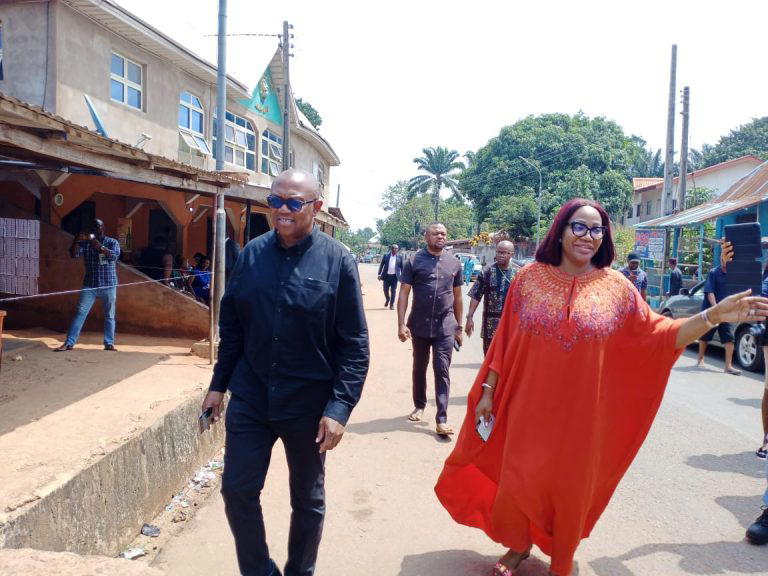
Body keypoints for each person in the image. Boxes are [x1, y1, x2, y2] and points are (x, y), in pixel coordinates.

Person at [434, 198, 768, 576]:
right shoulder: (528, 280)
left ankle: (563, 558)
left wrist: (713, 316)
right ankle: (520, 545)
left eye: (596, 230)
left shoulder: (618, 289)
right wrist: (488, 390)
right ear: (560, 230)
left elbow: (662, 336)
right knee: (520, 479)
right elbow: (505, 341)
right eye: (579, 226)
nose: (588, 236)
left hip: (582, 420)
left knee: (569, 489)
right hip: (527, 410)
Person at [201, 169, 369, 576]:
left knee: (307, 501)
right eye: (275, 201)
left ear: (317, 207)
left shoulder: (338, 261)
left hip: (308, 405)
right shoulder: (251, 255)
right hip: (252, 396)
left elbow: (354, 344)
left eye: (294, 203)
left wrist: (339, 408)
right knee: (237, 491)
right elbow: (233, 329)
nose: (282, 210)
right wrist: (217, 386)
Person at [397, 222, 463, 437]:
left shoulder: (454, 263)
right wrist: (401, 323)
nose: (440, 236)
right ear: (426, 236)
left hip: (445, 326)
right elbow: (404, 292)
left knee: (442, 369)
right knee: (419, 366)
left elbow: (458, 296)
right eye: (435, 233)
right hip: (419, 325)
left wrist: (459, 327)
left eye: (443, 233)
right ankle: (419, 405)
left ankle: (442, 419)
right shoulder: (414, 261)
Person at [54, 218, 121, 352]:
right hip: (90, 285)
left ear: (103, 228)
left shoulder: (112, 242)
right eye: (93, 228)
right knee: (80, 312)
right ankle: (69, 343)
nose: (96, 230)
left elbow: (114, 256)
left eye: (98, 227)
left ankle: (109, 343)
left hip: (109, 285)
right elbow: (73, 254)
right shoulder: (86, 244)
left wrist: (100, 247)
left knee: (110, 315)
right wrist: (76, 239)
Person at [466, 240, 517, 355]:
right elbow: (476, 295)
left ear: (511, 254)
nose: (501, 255)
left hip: (510, 326)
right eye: (499, 252)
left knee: (508, 359)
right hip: (490, 326)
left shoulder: (518, 273)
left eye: (505, 253)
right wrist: (469, 317)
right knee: (489, 357)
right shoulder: (487, 272)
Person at [697, 259, 741, 375]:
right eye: (722, 257)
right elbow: (710, 292)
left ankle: (728, 366)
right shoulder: (713, 272)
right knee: (705, 335)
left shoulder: (733, 275)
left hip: (726, 312)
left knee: (729, 337)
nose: (723, 260)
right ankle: (700, 359)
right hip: (712, 310)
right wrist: (716, 308)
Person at [377, 244, 403, 310]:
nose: (395, 250)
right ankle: (387, 299)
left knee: (393, 291)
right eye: (394, 248)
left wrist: (403, 277)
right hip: (386, 276)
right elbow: (381, 265)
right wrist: (379, 274)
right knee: (385, 289)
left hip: (395, 277)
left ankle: (391, 305)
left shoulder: (400, 257)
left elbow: (402, 267)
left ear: (398, 249)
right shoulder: (386, 256)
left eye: (396, 248)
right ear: (391, 249)